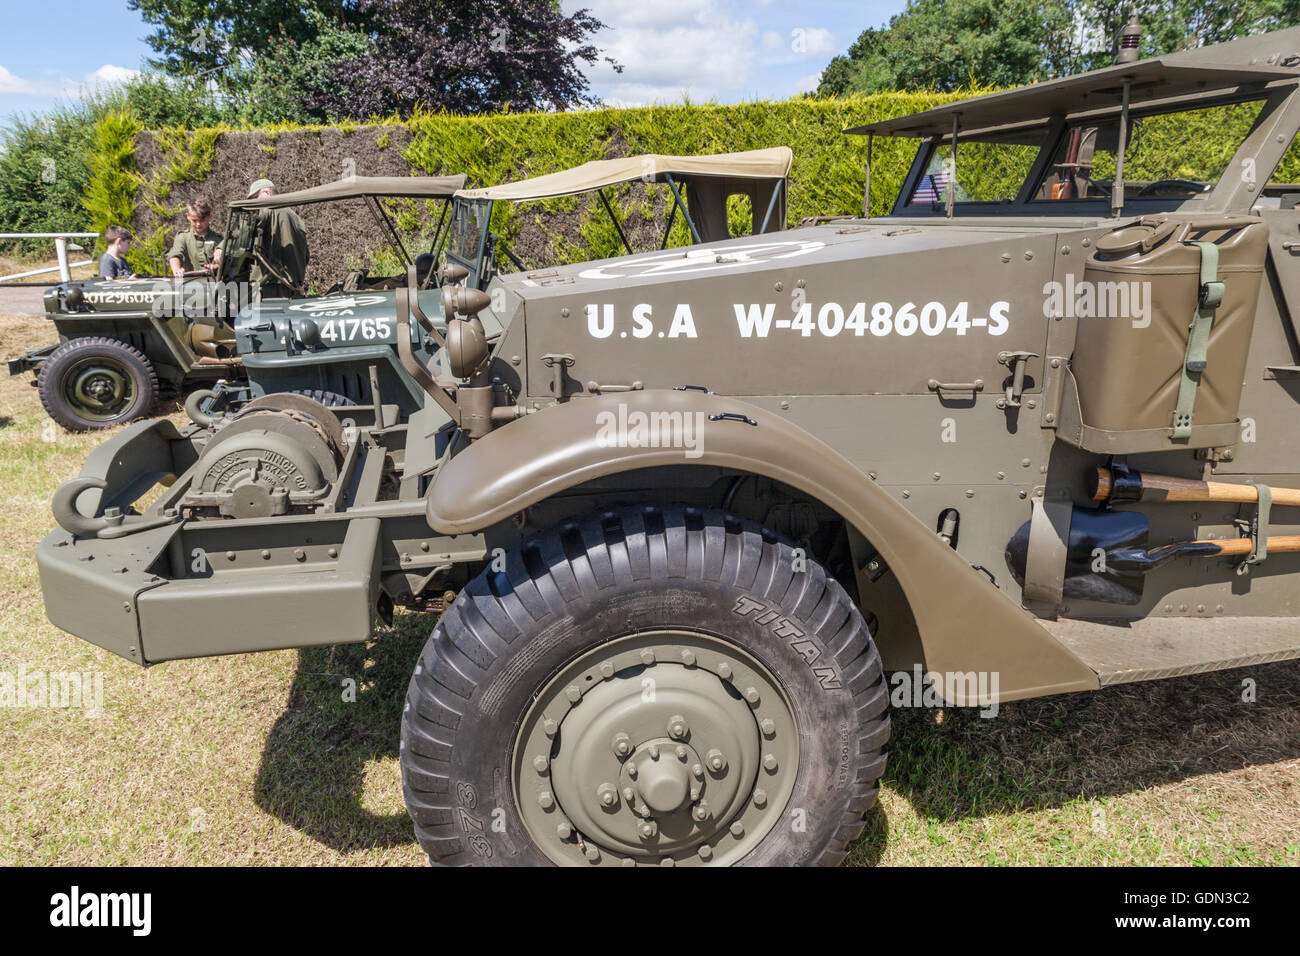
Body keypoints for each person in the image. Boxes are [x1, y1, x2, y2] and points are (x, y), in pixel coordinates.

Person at [245, 178, 309, 297]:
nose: (253, 204)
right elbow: (306, 256)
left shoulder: (268, 209)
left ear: (267, 194)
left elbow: (247, 227)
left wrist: (221, 248)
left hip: (270, 289)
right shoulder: (296, 218)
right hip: (294, 288)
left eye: (255, 198)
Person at [167, 197, 224, 277]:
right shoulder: (183, 237)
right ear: (188, 216)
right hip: (190, 284)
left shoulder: (219, 239)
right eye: (194, 220)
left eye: (202, 220)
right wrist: (177, 269)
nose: (198, 224)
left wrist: (216, 267)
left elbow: (226, 265)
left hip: (212, 283)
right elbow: (175, 255)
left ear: (210, 217)